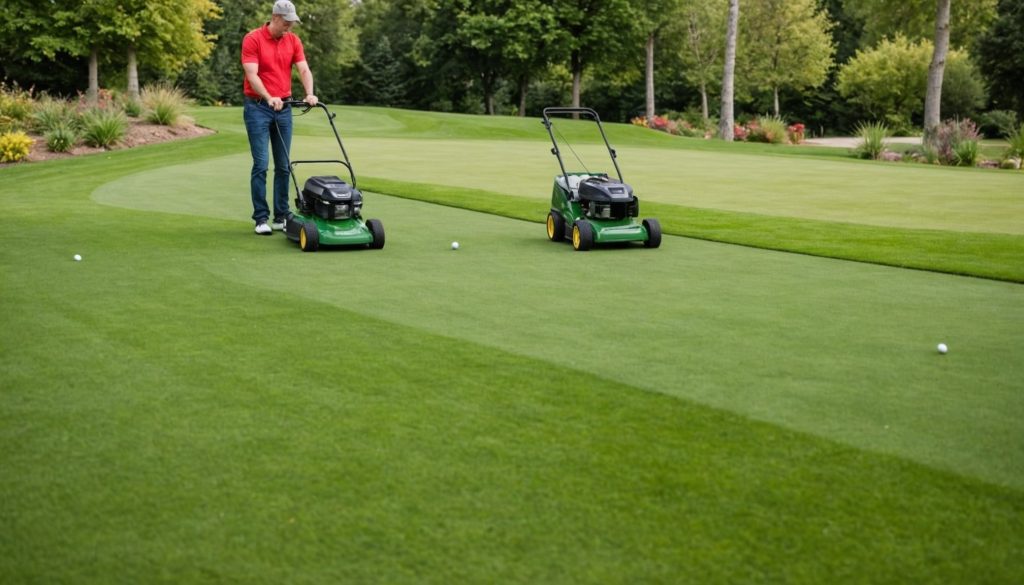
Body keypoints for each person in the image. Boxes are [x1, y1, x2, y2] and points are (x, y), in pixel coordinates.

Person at [241, 0, 318, 235]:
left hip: (284, 108)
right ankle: (261, 219)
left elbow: (303, 69)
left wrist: (309, 93)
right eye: (286, 22)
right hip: (257, 108)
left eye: (292, 23)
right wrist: (268, 97)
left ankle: (281, 217)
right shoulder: (253, 39)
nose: (289, 27)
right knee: (261, 165)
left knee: (284, 166)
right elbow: (252, 75)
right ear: (275, 17)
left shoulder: (293, 40)